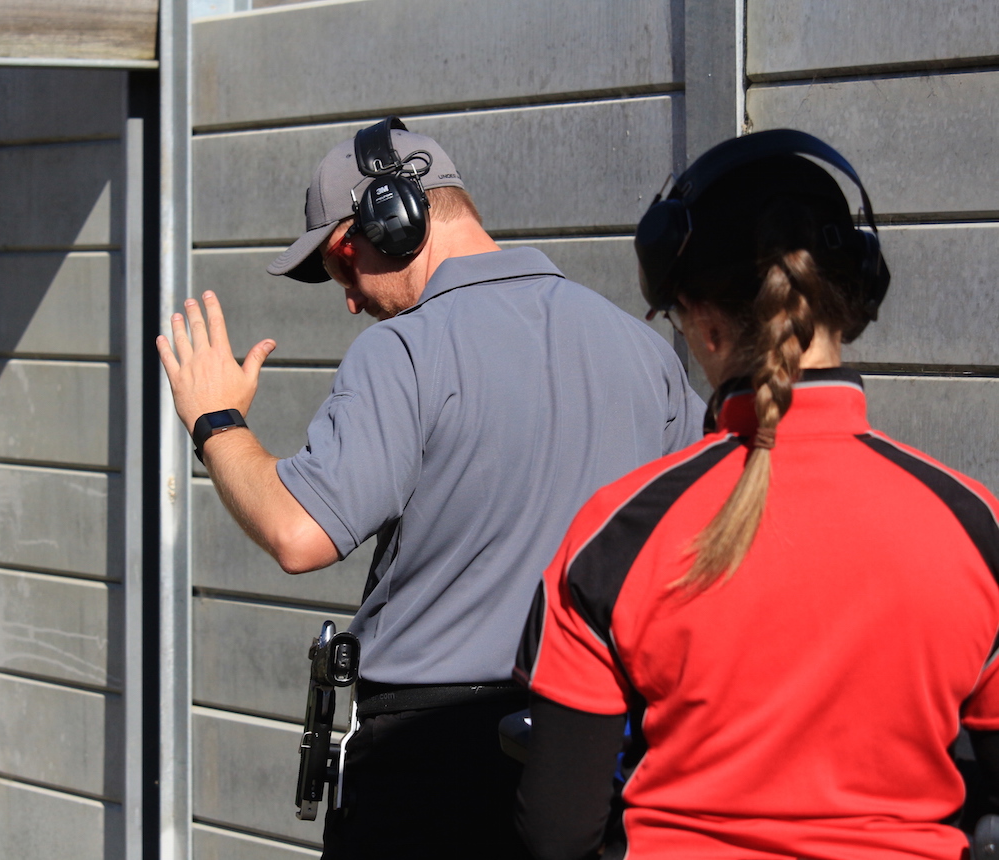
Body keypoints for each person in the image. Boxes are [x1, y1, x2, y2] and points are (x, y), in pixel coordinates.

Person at [156, 117, 704, 859]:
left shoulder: (403, 352)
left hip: (429, 767)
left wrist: (215, 421)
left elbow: (296, 532)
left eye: (343, 264)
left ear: (388, 221)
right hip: (599, 763)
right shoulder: (646, 355)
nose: (349, 298)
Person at [513, 129, 999, 860]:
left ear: (705, 324)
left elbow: (556, 833)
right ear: (854, 299)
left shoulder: (613, 537)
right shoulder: (973, 526)